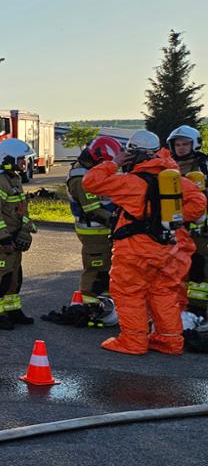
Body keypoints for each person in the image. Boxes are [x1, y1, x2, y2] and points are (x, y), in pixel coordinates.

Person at [84, 130, 207, 355]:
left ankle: (133, 341)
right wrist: (169, 219)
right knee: (164, 292)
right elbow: (199, 203)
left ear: (133, 155)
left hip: (134, 249)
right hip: (167, 247)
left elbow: (90, 182)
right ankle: (169, 341)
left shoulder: (131, 183)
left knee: (129, 292)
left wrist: (113, 162)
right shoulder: (175, 180)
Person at [0, 138, 35, 330]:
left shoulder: (13, 179)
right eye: (21, 159)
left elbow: (22, 210)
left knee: (15, 277)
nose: (24, 163)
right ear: (9, 159)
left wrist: (24, 231)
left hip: (13, 240)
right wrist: (4, 237)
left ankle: (12, 310)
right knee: (0, 279)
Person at [67, 137, 121, 305]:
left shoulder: (92, 170)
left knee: (106, 268)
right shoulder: (80, 177)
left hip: (103, 229)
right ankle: (90, 305)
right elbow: (92, 210)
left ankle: (104, 302)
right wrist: (117, 222)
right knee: (95, 268)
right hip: (93, 230)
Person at [167, 125, 208, 317]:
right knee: (175, 267)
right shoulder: (167, 164)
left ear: (195, 144)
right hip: (174, 225)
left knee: (198, 265)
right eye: (178, 144)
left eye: (185, 144)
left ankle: (197, 308)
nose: (181, 147)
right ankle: (176, 306)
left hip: (199, 226)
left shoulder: (203, 164)